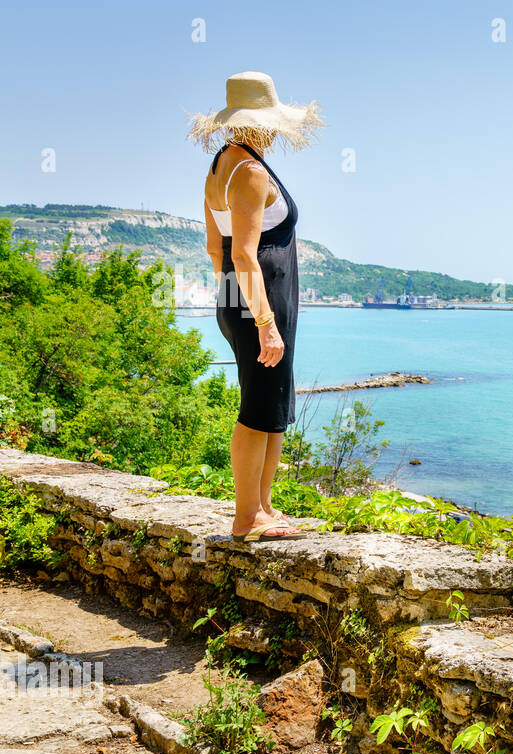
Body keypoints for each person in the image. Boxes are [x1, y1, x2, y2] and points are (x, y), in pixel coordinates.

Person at [191, 72, 323, 541]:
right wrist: (264, 322)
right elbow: (245, 253)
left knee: (271, 405)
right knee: (257, 408)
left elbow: (215, 248)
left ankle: (264, 508)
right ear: (262, 122)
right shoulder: (249, 171)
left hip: (243, 298)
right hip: (260, 302)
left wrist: (232, 299)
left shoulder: (219, 165)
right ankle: (247, 517)